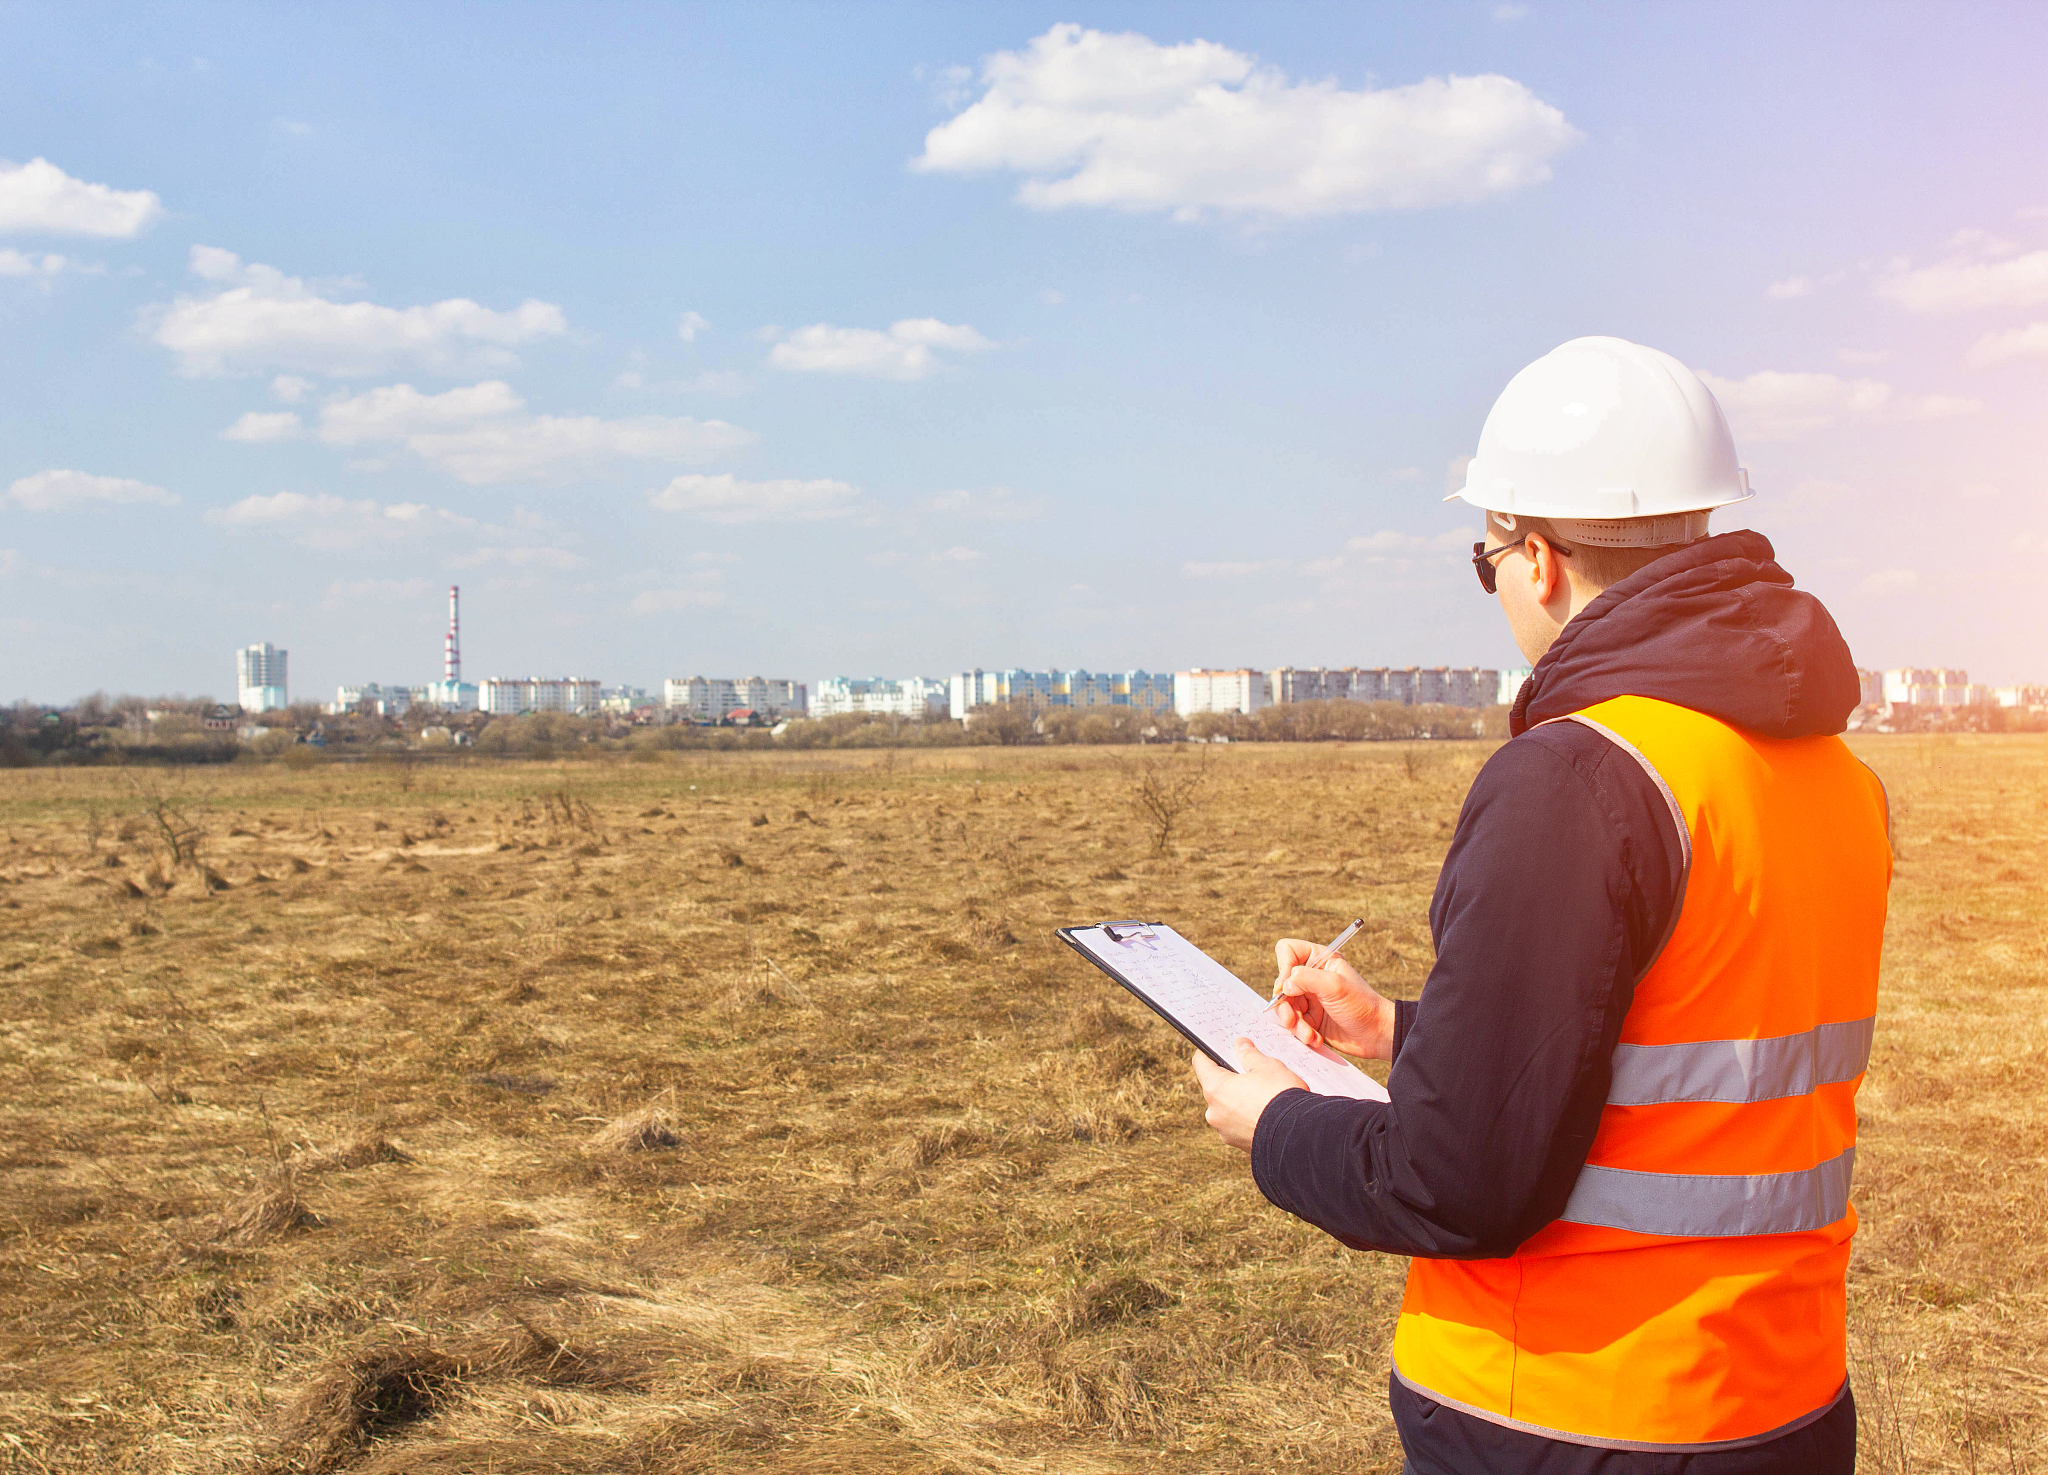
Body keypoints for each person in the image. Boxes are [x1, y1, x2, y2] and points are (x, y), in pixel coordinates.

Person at [1194, 336, 1891, 1475]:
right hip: (1781, 1400)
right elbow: (1692, 1059)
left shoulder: (1576, 775)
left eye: (1486, 561)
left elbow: (1459, 1179)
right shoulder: (1827, 776)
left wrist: (1273, 1123)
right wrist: (1402, 1034)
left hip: (1572, 1414)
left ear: (1533, 558)